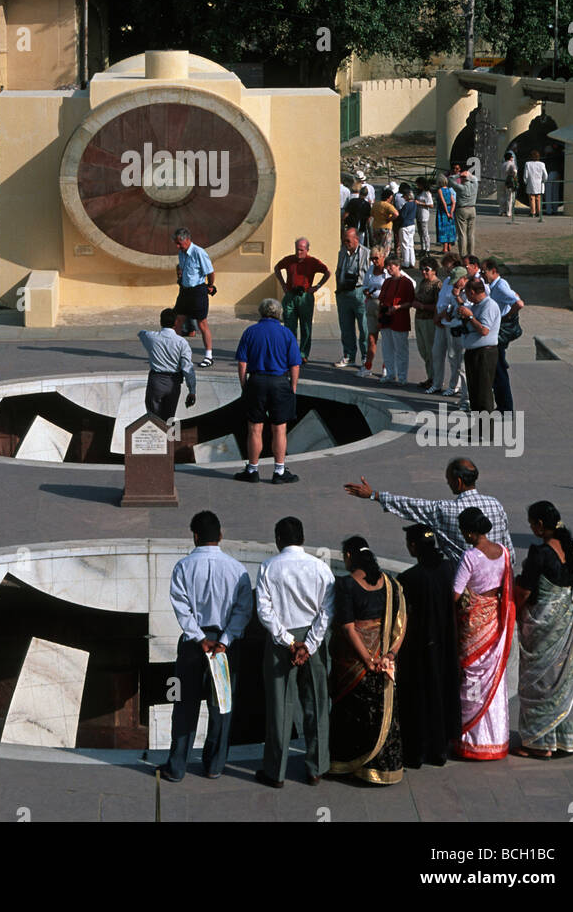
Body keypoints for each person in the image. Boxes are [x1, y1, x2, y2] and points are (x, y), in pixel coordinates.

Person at [160, 511, 252, 782]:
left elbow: (181, 608)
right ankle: (214, 765)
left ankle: (176, 767)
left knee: (182, 704)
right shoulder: (237, 570)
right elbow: (243, 610)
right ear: (220, 536)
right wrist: (224, 641)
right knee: (221, 706)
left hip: (191, 645)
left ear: (195, 536)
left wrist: (200, 638)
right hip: (225, 646)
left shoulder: (183, 567)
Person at [254, 516, 335, 787]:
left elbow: (264, 610)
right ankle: (316, 768)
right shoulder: (320, 568)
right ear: (302, 538)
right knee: (317, 704)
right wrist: (310, 644)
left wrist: (288, 641)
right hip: (313, 639)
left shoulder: (268, 567)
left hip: (281, 643)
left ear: (279, 540)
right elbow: (327, 610)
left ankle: (275, 772)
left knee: (279, 707)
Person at [513, 501, 573, 759]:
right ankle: (565, 738)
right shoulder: (571, 548)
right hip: (564, 625)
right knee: (561, 679)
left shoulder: (540, 554)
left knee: (538, 682)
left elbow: (524, 591)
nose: (531, 528)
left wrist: (513, 611)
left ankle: (539, 742)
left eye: (532, 524)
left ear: (540, 525)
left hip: (542, 628)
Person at [328, 535, 406, 785]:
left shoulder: (346, 585)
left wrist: (368, 661)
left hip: (355, 665)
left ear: (349, 556)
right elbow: (400, 625)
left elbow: (349, 629)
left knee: (351, 714)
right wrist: (389, 655)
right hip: (386, 661)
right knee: (383, 714)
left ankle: (347, 765)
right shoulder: (391, 585)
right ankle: (382, 769)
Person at [344, 456, 516, 567]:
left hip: (470, 590)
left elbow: (410, 506)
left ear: (457, 482)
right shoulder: (496, 505)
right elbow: (509, 551)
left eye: (448, 480)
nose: (447, 483)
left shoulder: (446, 510)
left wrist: (374, 495)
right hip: (498, 585)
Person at [453, 506, 515, 761]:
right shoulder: (503, 552)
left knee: (471, 675)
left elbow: (455, 593)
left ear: (469, 533)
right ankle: (494, 739)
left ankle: (471, 739)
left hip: (473, 626)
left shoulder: (470, 557)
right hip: (494, 624)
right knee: (492, 677)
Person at [396, 525, 461, 768]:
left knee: (419, 699)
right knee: (442, 694)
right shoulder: (448, 568)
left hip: (419, 648)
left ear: (413, 546)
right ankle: (440, 748)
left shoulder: (410, 578)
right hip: (445, 644)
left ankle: (416, 751)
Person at [233, 297, 301, 484]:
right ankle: (279, 471)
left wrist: (244, 385)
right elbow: (295, 364)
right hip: (280, 383)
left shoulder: (250, 332)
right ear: (279, 313)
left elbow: (242, 363)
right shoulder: (286, 333)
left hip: (257, 381)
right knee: (279, 429)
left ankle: (252, 469)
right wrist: (292, 387)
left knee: (255, 428)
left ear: (261, 312)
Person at [273, 237, 330, 363]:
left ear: (307, 250)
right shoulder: (289, 260)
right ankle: (290, 353)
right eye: (297, 250)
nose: (298, 253)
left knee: (306, 326)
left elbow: (327, 272)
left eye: (301, 250)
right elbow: (277, 268)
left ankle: (303, 353)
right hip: (290, 295)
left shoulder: (313, 262)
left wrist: (317, 287)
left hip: (305, 295)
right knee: (289, 326)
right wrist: (283, 284)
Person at [137, 308, 196, 424]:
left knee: (153, 418)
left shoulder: (151, 337)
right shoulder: (181, 342)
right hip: (173, 383)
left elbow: (141, 333)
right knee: (169, 418)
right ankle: (167, 440)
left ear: (160, 322)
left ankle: (156, 439)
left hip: (156, 381)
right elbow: (187, 368)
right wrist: (192, 390)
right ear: (175, 323)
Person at [482, 259, 524, 414]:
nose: (482, 274)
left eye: (484, 271)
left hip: (499, 333)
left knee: (498, 370)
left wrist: (506, 317)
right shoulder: (496, 286)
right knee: (497, 369)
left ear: (493, 271)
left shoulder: (499, 286)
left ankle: (505, 407)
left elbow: (519, 303)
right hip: (496, 332)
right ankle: (502, 405)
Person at [457, 277, 501, 416]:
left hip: (484, 354)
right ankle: (478, 427)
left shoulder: (489, 305)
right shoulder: (476, 305)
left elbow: (484, 330)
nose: (467, 298)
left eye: (467, 293)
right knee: (474, 392)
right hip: (473, 352)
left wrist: (470, 317)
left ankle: (487, 430)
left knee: (483, 393)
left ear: (472, 291)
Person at [172, 227, 215, 367]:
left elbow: (210, 271)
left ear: (187, 239)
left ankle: (208, 356)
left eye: (180, 243)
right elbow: (182, 268)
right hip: (185, 291)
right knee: (178, 321)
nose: (178, 246)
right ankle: (178, 354)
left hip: (198, 291)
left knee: (202, 323)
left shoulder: (199, 252)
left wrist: (210, 285)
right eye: (176, 243)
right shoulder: (181, 253)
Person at [427, 258, 465, 396]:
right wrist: (437, 315)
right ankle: (437, 383)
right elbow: (441, 300)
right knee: (436, 353)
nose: (446, 269)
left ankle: (454, 385)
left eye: (448, 266)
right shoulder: (447, 281)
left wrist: (443, 314)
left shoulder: (458, 284)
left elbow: (454, 305)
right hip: (441, 322)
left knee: (453, 356)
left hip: (450, 323)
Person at [333, 227, 370, 370]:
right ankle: (349, 355)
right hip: (343, 293)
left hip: (359, 292)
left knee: (364, 327)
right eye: (344, 241)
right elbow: (338, 270)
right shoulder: (342, 252)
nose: (346, 243)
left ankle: (366, 356)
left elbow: (370, 273)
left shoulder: (365, 253)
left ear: (357, 239)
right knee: (346, 327)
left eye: (348, 240)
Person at [377, 253, 415, 385]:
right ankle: (390, 373)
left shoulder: (407, 282)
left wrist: (398, 307)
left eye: (391, 266)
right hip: (386, 318)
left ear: (398, 266)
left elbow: (411, 302)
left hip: (400, 319)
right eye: (387, 266)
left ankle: (402, 377)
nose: (388, 269)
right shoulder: (387, 282)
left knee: (401, 350)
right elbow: (381, 300)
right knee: (387, 348)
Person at [412, 258, 440, 389]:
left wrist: (422, 306)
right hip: (419, 319)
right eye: (422, 269)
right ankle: (431, 377)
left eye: (427, 269)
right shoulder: (423, 282)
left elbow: (438, 306)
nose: (424, 272)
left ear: (434, 270)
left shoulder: (437, 285)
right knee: (423, 350)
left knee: (430, 351)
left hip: (429, 321)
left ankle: (434, 379)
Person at [361, 247, 387, 380]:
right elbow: (365, 284)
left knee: (386, 339)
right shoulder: (371, 269)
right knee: (371, 338)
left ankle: (386, 367)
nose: (374, 261)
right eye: (372, 258)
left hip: (383, 307)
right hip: (371, 305)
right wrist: (366, 290)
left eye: (376, 258)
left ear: (383, 256)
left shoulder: (388, 271)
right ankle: (368, 366)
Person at [449, 164, 478, 257]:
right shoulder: (475, 185)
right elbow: (475, 179)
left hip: (462, 209)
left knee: (462, 234)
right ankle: (471, 254)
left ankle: (463, 255)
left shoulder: (460, 187)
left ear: (462, 179)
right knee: (471, 234)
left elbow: (450, 179)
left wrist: (459, 174)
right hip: (472, 209)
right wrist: (469, 174)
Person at [370, 187, 398, 258]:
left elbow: (372, 214)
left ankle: (376, 257)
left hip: (376, 226)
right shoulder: (388, 206)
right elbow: (396, 214)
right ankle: (384, 259)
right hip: (386, 227)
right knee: (385, 246)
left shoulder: (376, 204)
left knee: (377, 246)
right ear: (389, 197)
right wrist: (389, 219)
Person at [396, 185, 418, 268]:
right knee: (410, 244)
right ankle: (412, 261)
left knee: (404, 245)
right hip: (412, 224)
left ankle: (406, 262)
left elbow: (402, 216)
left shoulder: (406, 205)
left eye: (404, 196)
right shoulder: (414, 204)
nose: (404, 198)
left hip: (405, 225)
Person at [435, 173, 457, 251]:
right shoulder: (449, 189)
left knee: (443, 229)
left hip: (442, 211)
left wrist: (447, 212)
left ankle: (445, 248)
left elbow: (443, 201)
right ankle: (449, 246)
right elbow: (453, 202)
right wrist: (451, 212)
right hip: (450, 208)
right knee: (450, 228)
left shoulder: (440, 190)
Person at [523, 150, 548, 218]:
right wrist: (543, 181)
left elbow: (526, 175)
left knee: (531, 197)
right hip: (539, 183)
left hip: (531, 182)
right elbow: (545, 175)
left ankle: (532, 212)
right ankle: (539, 212)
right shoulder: (542, 164)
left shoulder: (527, 164)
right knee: (538, 197)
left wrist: (525, 181)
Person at [415, 178, 434, 254]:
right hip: (418, 214)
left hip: (424, 215)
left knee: (425, 232)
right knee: (420, 232)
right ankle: (422, 247)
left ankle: (427, 248)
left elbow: (431, 205)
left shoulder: (427, 193)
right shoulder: (420, 192)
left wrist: (420, 203)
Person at [501, 150, 518, 221]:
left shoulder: (503, 164)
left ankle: (502, 211)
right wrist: (513, 176)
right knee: (509, 197)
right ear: (510, 158)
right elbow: (515, 171)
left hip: (502, 180)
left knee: (503, 197)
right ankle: (509, 212)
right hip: (509, 182)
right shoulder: (511, 164)